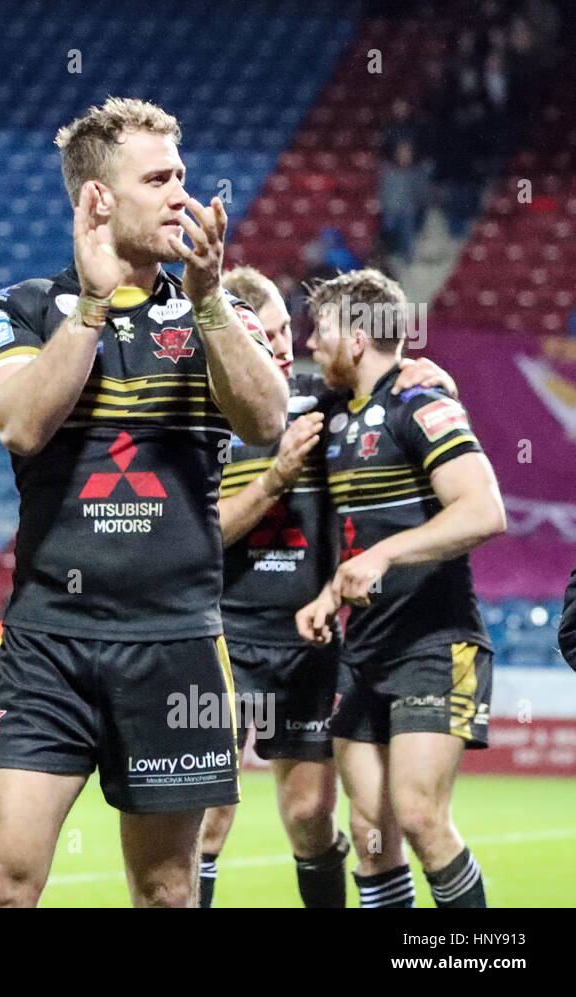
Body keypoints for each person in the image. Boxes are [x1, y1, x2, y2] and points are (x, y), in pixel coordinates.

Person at [0, 98, 288, 908]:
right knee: (0, 881)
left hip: (176, 641)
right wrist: (91, 307)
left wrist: (214, 302)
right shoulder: (22, 310)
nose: (182, 193)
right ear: (98, 200)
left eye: (182, 175)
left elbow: (265, 420)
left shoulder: (220, 311)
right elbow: (21, 423)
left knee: (167, 890)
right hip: (48, 643)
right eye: (159, 178)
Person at [198, 266, 457, 908]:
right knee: (204, 819)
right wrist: (275, 479)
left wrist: (436, 378)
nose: (291, 346)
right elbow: (199, 538)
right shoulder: (205, 422)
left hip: (310, 643)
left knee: (312, 812)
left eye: (293, 331)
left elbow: (398, 397)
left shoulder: (324, 400)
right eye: (273, 332)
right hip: (223, 640)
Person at [296, 269, 505, 908]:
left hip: (435, 646)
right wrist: (328, 594)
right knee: (370, 835)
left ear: (359, 338)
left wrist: (384, 554)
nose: (309, 344)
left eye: (321, 330)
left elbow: (484, 510)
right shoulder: (331, 414)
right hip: (362, 653)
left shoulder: (422, 404)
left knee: (419, 818)